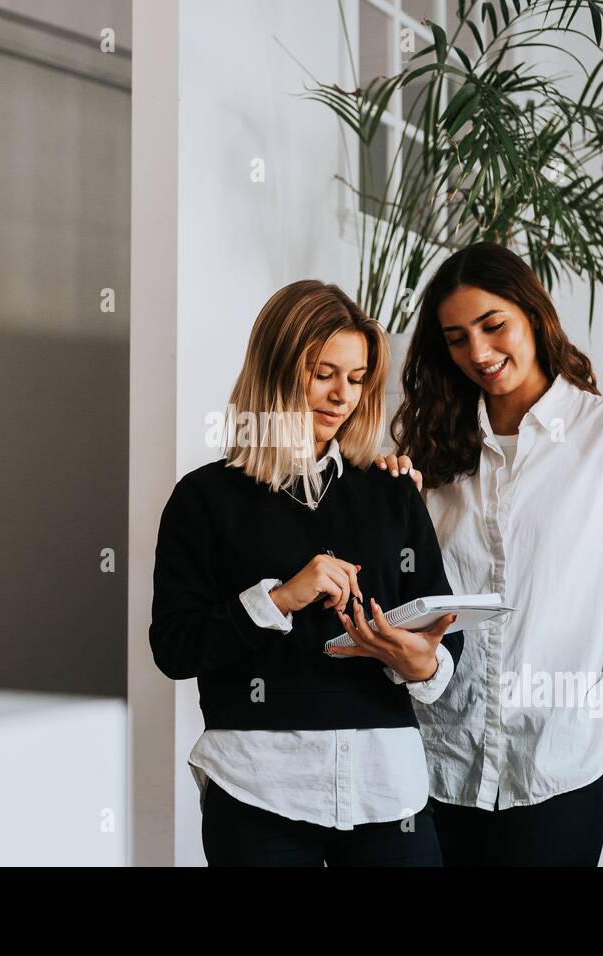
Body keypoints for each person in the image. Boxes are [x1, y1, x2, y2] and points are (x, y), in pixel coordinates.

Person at [378, 242, 603, 865]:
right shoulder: (433, 452)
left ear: (533, 315)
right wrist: (389, 517)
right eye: (457, 338)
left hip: (556, 768)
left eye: (494, 326)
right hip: (442, 765)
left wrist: (601, 718)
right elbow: (410, 599)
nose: (480, 354)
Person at [150, 279, 465, 866]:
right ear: (275, 366)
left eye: (357, 377)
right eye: (324, 373)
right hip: (258, 787)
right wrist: (280, 599)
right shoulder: (203, 499)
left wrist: (423, 663)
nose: (342, 395)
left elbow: (449, 637)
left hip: (386, 791)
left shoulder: (394, 492)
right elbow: (174, 647)